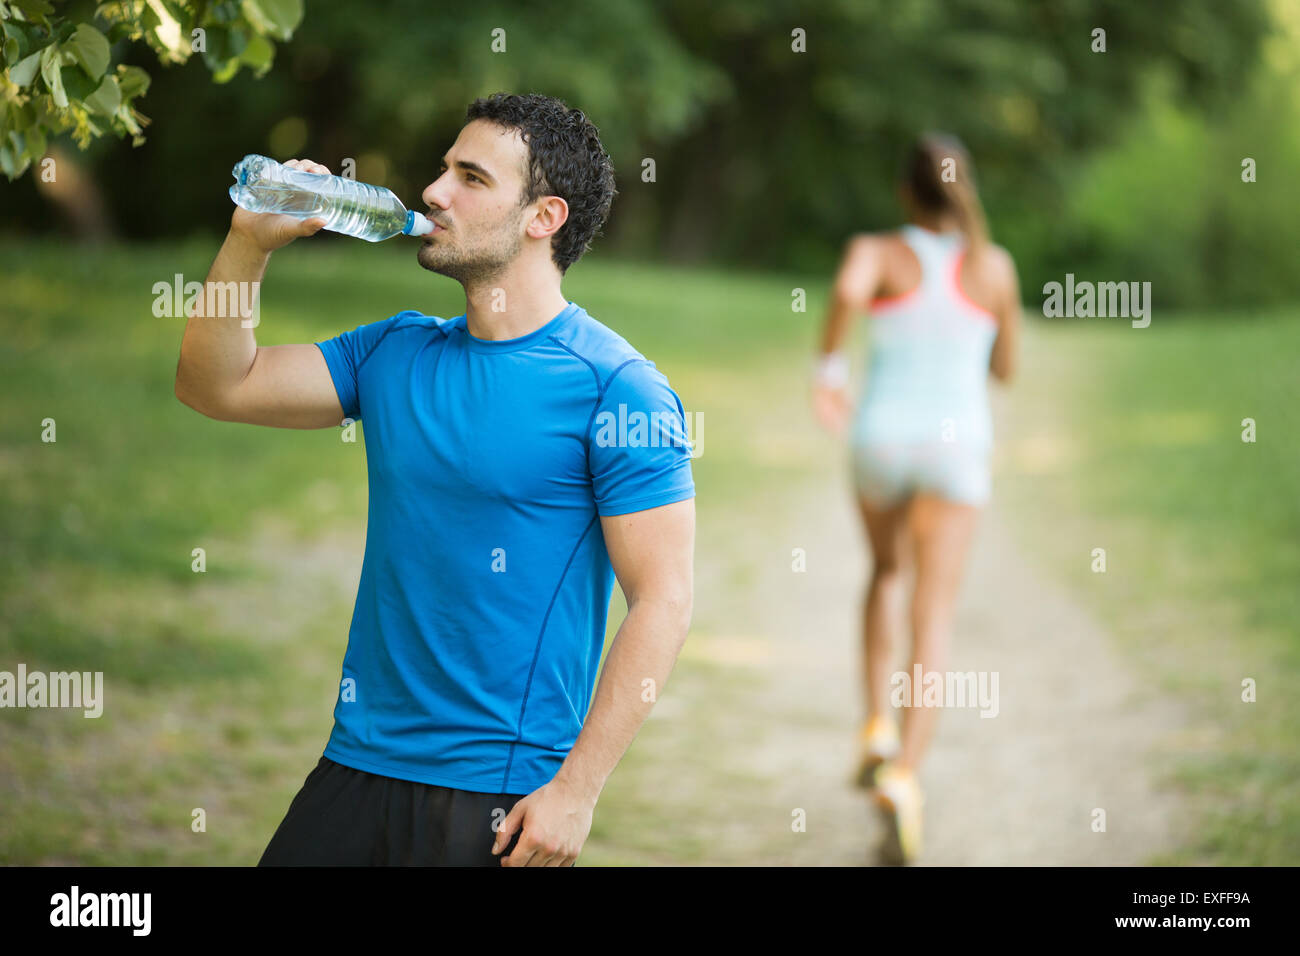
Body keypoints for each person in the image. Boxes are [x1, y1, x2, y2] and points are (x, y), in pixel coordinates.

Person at [175, 92, 696, 866]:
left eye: (471, 178)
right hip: (356, 764)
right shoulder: (394, 352)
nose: (433, 191)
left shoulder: (618, 388)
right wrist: (248, 244)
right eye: (444, 168)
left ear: (542, 217)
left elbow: (664, 597)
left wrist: (577, 790)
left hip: (499, 795)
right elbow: (215, 386)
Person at [811, 132, 1021, 864]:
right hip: (956, 447)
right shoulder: (993, 266)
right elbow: (1006, 369)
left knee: (885, 574)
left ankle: (876, 725)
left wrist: (830, 369)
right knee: (932, 612)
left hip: (882, 440)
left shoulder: (876, 252)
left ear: (906, 192)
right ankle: (903, 779)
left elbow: (843, 292)